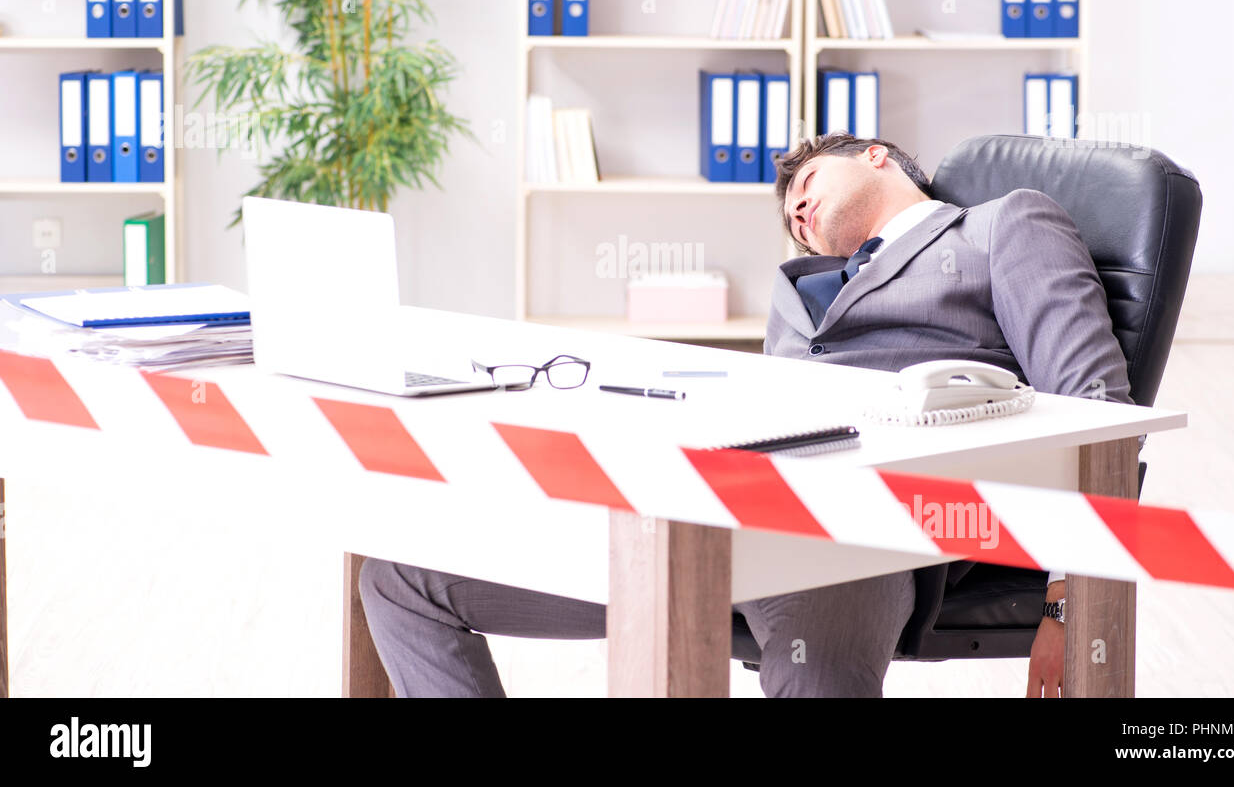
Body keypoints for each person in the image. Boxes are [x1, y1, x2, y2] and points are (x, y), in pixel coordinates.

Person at [360, 131, 1132, 698]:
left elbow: (1097, 410)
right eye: (788, 213)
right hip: (695, 504)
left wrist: (1073, 602)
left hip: (860, 531)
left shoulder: (1000, 226)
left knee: (816, 661)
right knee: (400, 580)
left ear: (878, 155)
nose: (795, 205)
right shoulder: (797, 289)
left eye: (808, 179)